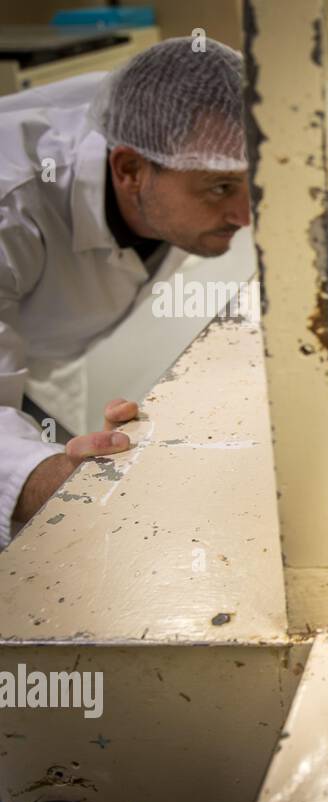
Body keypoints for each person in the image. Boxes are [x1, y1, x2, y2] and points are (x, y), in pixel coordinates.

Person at [0, 37, 250, 548]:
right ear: (130, 170)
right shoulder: (14, 204)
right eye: (220, 189)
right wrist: (68, 488)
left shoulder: (175, 136)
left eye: (252, 185)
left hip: (37, 353)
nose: (245, 217)